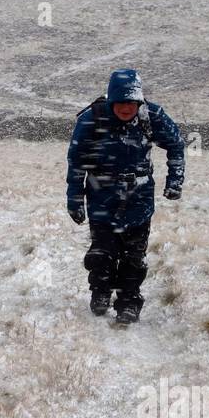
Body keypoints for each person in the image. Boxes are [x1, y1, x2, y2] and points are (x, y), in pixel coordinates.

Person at [66, 68, 184, 323]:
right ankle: (100, 291)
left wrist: (175, 180)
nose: (126, 108)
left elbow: (176, 143)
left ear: (139, 101)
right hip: (101, 197)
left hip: (139, 200)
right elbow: (76, 162)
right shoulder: (90, 120)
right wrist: (74, 199)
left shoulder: (151, 116)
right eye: (120, 103)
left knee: (134, 256)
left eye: (131, 103)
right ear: (112, 101)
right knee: (102, 252)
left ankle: (129, 302)